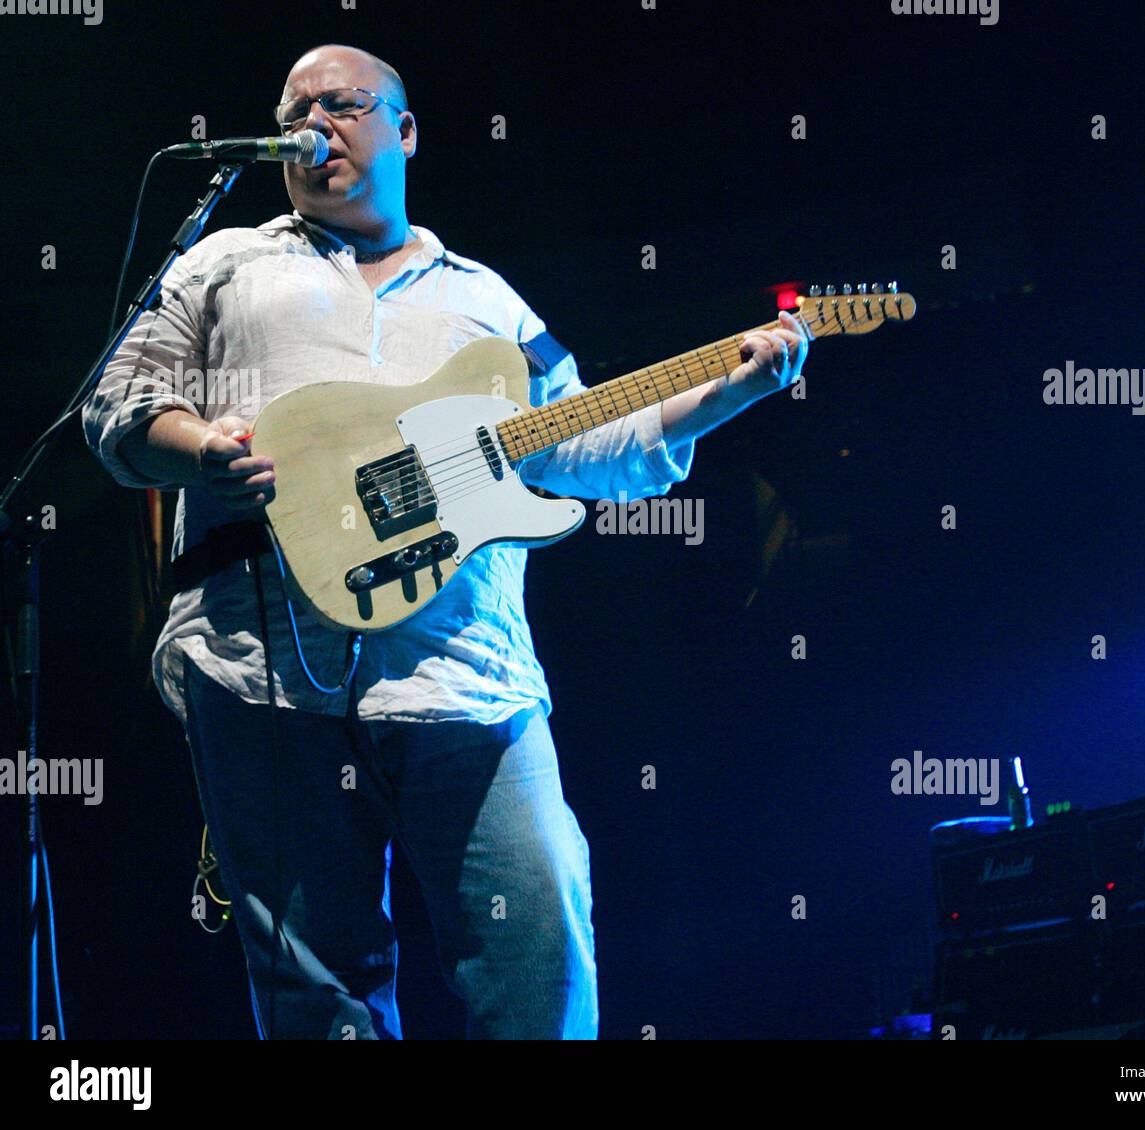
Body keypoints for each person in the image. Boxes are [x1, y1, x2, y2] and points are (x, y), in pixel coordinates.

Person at [82, 43, 810, 1040]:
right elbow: (118, 407)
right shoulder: (224, 264)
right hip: (263, 662)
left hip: (462, 665)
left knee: (539, 939)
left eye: (341, 103)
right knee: (314, 982)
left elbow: (583, 440)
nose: (312, 124)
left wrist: (718, 398)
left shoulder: (484, 301)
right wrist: (198, 447)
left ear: (405, 131)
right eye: (294, 109)